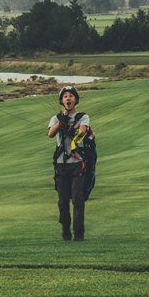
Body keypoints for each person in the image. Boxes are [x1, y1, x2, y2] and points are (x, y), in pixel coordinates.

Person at [46, 86, 97, 241]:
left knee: (77, 199)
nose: (68, 98)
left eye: (71, 96)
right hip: (61, 165)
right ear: (62, 101)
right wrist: (60, 123)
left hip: (78, 164)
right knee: (62, 201)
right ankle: (65, 231)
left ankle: (79, 233)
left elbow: (82, 131)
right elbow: (50, 134)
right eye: (65, 96)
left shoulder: (83, 117)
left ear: (76, 100)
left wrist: (72, 127)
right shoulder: (55, 118)